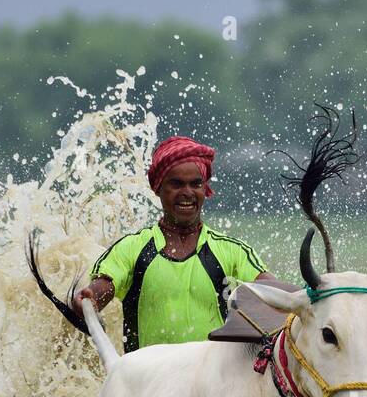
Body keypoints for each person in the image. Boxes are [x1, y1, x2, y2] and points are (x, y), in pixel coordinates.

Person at [74, 136, 276, 351]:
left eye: (196, 184)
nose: (187, 193)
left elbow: (271, 290)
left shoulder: (233, 251)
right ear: (158, 188)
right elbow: (102, 288)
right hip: (148, 380)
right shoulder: (131, 248)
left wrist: (303, 295)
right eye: (176, 184)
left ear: (205, 189)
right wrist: (90, 299)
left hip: (211, 382)